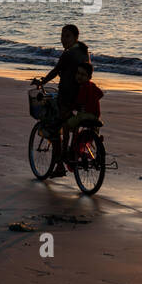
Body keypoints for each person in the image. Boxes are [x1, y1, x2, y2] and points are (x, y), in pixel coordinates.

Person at [32, 25, 89, 176]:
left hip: (67, 96)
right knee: (68, 124)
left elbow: (56, 71)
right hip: (82, 96)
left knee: (53, 127)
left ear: (75, 37)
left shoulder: (69, 54)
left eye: (67, 36)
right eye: (62, 36)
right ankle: (69, 152)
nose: (63, 39)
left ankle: (59, 165)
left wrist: (42, 82)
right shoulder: (84, 52)